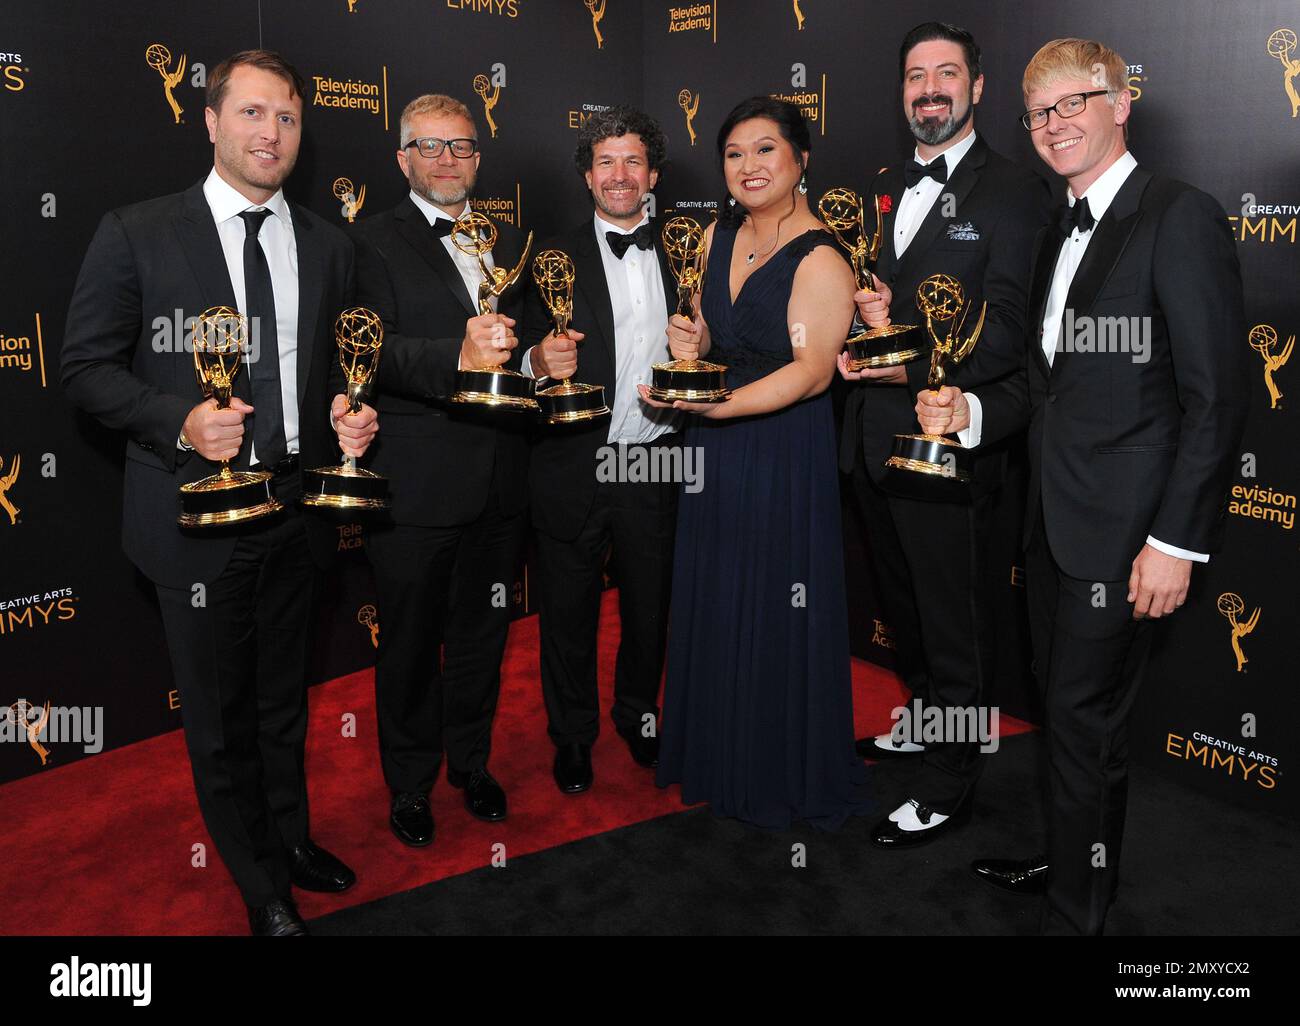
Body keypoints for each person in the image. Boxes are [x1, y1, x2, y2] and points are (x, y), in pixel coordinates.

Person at [914, 37, 1249, 934]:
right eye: (1038, 113)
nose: (1054, 125)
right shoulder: (1059, 225)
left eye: (1073, 104)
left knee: (1082, 718)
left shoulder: (1178, 215)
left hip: (1131, 535)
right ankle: (1071, 863)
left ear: (1120, 102)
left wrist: (1175, 542)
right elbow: (1041, 385)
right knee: (1067, 720)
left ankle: (1081, 910)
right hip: (1053, 527)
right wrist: (971, 419)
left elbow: (1215, 399)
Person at [61, 50, 374, 936]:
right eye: (251, 113)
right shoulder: (138, 231)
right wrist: (179, 419)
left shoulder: (327, 242)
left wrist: (349, 418)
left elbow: (329, 376)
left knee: (284, 702)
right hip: (191, 522)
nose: (269, 133)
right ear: (210, 121)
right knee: (218, 713)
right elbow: (83, 368)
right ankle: (257, 880)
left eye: (287, 118)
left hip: (297, 513)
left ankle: (291, 841)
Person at [837, 22, 1051, 848]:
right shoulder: (881, 187)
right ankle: (929, 722)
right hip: (872, 442)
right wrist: (853, 356)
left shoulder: (1018, 191)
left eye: (947, 74)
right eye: (916, 76)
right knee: (907, 609)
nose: (930, 89)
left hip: (953, 446)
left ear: (979, 87)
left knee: (956, 624)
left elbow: (1006, 334)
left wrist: (900, 366)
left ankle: (953, 781)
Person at [641, 97, 870, 829]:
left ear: (801, 160)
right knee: (716, 593)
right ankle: (716, 754)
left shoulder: (824, 253)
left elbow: (811, 370)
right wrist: (692, 339)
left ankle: (776, 769)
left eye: (766, 150)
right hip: (714, 449)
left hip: (780, 451)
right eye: (735, 154)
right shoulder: (714, 234)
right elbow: (716, 339)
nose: (749, 167)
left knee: (775, 601)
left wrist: (718, 407)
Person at [349, 94, 529, 847]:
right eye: (429, 146)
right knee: (413, 646)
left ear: (478, 159)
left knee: (484, 638)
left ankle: (472, 764)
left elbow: (529, 345)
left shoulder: (509, 239)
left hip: (500, 479)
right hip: (416, 485)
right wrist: (458, 354)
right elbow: (367, 351)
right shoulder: (368, 242)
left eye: (460, 147)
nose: (447, 160)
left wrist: (547, 359)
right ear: (402, 158)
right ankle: (411, 784)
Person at [521, 107, 679, 793]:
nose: (621, 176)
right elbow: (515, 355)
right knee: (567, 611)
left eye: (633, 161)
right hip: (572, 460)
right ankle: (573, 735)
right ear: (588, 176)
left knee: (650, 608)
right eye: (606, 162)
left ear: (653, 174)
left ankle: (639, 716)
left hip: (656, 460)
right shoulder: (548, 258)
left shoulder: (687, 251)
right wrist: (536, 358)